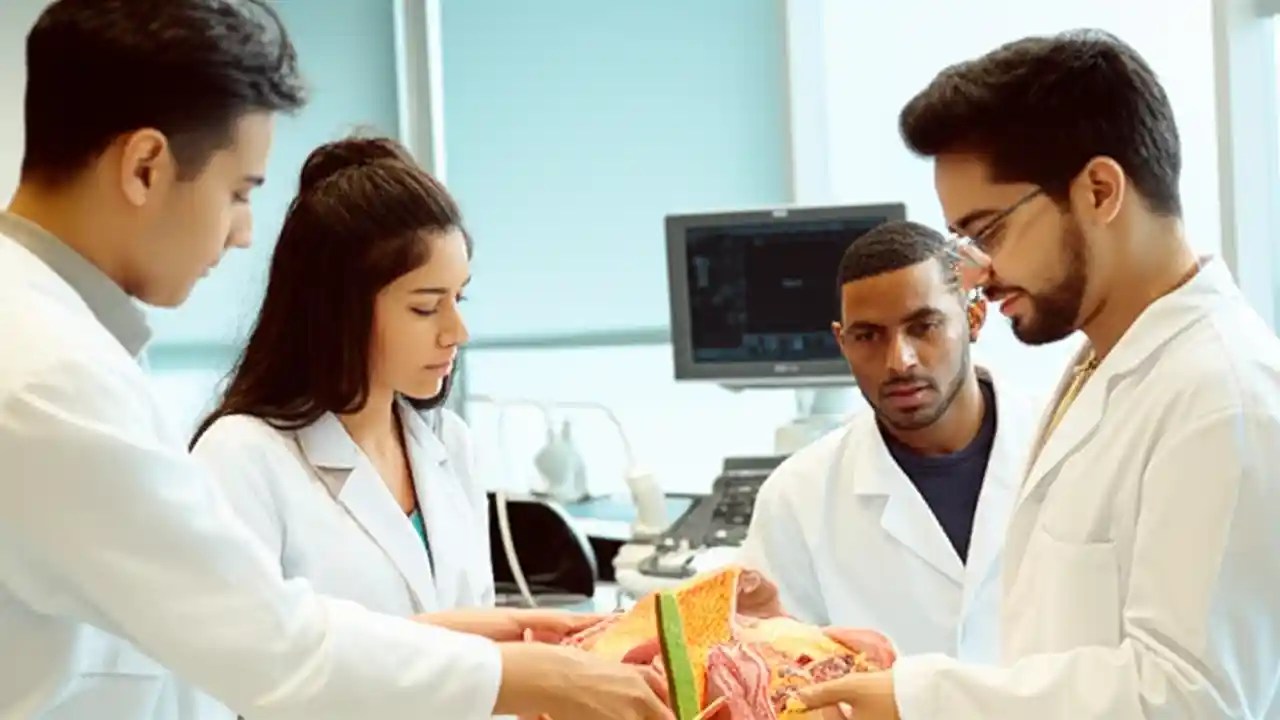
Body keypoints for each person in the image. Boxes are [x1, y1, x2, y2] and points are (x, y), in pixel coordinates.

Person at [0, 2, 671, 719]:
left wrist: (469, 650)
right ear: (144, 168)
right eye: (238, 193)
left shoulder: (54, 344)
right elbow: (268, 642)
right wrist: (518, 676)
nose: (242, 233)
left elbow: (238, 626)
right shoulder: (47, 376)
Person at [796, 29, 1280, 719]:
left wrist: (920, 701)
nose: (975, 274)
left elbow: (1191, 699)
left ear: (1100, 191)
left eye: (987, 232)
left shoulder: (1224, 398)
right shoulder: (1106, 366)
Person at [189, 135, 507, 631]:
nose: (457, 332)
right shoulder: (242, 458)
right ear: (341, 309)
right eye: (426, 307)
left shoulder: (451, 445)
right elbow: (235, 657)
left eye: (458, 299)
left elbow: (484, 643)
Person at [737, 220, 1042, 665]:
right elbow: (773, 670)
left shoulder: (1069, 443)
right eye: (868, 336)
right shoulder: (796, 498)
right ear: (842, 342)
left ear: (973, 318)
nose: (900, 361)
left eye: (924, 327)